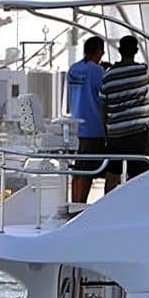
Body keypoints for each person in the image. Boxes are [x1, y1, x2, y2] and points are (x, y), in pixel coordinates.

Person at [101, 33, 149, 184]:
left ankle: (108, 204)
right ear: (136, 51)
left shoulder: (108, 76)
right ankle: (137, 204)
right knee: (139, 174)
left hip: (116, 133)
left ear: (120, 51)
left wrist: (107, 133)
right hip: (137, 133)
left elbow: (103, 107)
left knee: (113, 173)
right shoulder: (142, 71)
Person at [66, 35, 109, 205]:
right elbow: (106, 94)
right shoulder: (98, 72)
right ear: (99, 51)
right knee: (89, 170)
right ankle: (80, 206)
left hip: (77, 126)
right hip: (94, 126)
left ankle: (75, 202)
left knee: (78, 169)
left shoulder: (73, 69)